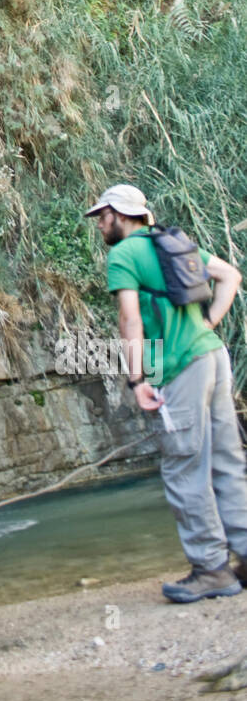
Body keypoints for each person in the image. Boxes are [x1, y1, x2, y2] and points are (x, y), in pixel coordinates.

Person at [85, 183, 247, 603]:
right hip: (214, 358)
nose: (100, 224)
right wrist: (208, 323)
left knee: (184, 465)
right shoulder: (176, 242)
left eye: (102, 216)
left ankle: (211, 569)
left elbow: (129, 321)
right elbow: (231, 275)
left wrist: (137, 381)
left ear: (121, 215)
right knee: (227, 461)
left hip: (178, 369)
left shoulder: (122, 255)